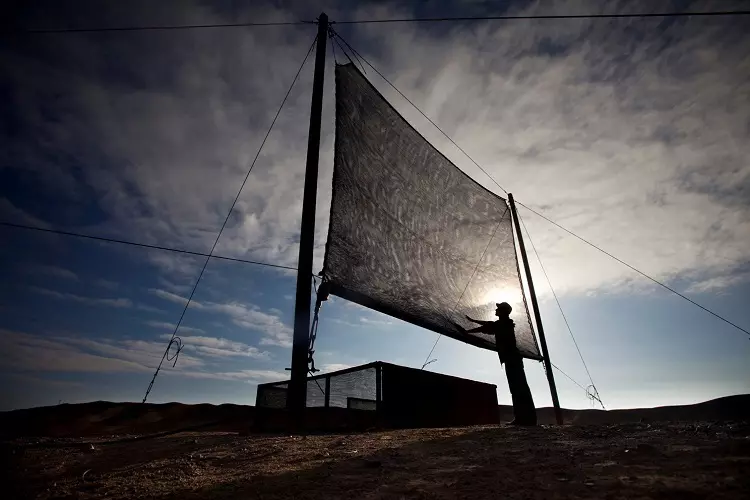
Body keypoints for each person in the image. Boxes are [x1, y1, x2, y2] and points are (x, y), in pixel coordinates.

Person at [455, 302, 537, 426]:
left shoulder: (503, 324)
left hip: (512, 359)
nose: (495, 310)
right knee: (518, 388)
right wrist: (472, 321)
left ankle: (525, 419)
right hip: (512, 359)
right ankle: (524, 418)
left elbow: (487, 327)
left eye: (498, 309)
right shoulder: (504, 324)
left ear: (503, 312)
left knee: (518, 388)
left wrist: (467, 331)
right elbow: (488, 325)